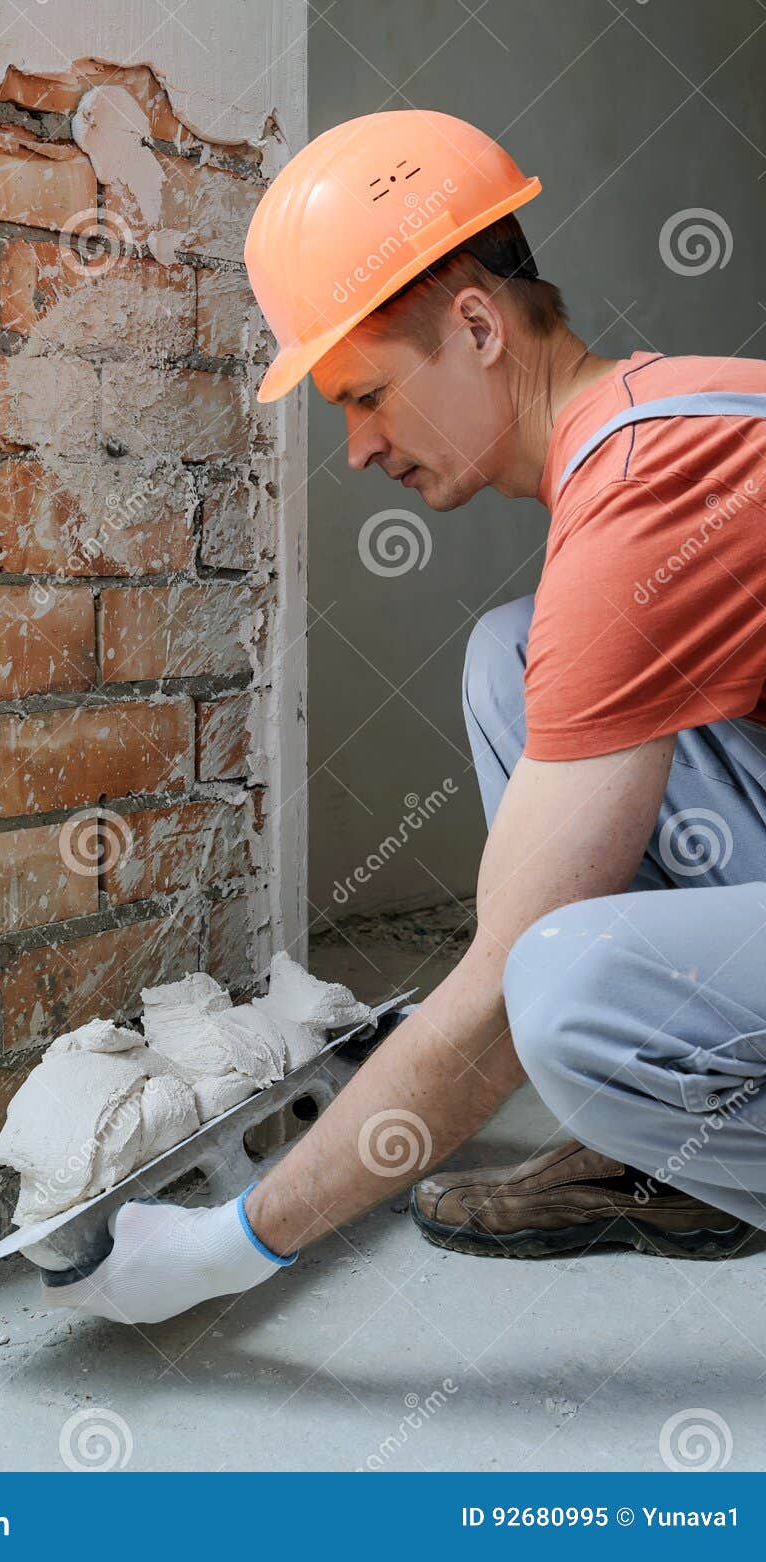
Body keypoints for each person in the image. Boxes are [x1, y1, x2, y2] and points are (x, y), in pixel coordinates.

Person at [51, 110, 766, 1325]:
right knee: (511, 654)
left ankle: (679, 1122)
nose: (359, 446)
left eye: (367, 393)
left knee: (560, 990)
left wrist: (233, 1244)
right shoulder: (651, 428)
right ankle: (674, 1159)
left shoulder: (652, 497)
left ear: (477, 325)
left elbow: (493, 1003)